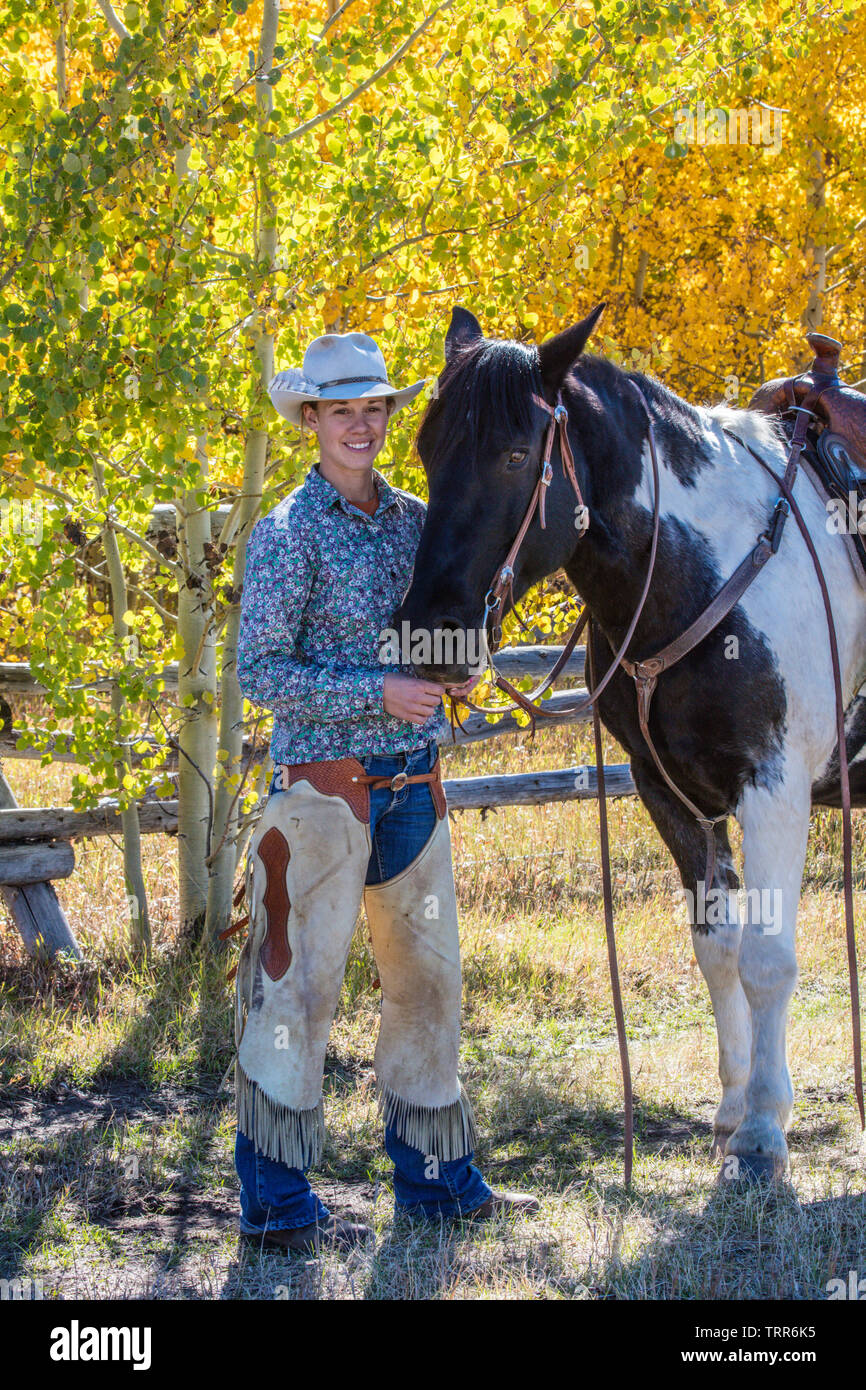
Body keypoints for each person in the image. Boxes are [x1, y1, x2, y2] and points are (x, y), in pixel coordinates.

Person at [232, 330, 539, 1251]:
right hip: (320, 800)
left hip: (415, 790)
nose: (361, 424)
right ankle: (277, 1204)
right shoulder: (286, 534)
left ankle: (440, 1184)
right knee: (297, 998)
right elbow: (259, 671)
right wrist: (377, 689)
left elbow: (436, 630)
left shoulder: (416, 520)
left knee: (429, 991)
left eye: (375, 408)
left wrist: (456, 669)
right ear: (313, 422)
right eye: (343, 411)